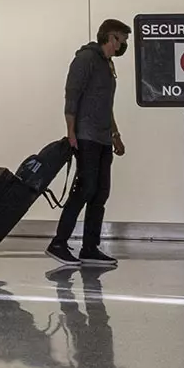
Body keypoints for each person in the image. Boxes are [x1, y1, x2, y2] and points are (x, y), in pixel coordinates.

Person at [47, 19, 129, 269]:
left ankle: (90, 247)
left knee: (100, 192)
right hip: (85, 136)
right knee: (84, 189)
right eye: (122, 38)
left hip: (103, 137)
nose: (124, 44)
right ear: (111, 37)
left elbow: (106, 104)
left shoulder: (108, 65)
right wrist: (71, 132)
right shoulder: (85, 59)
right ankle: (58, 243)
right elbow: (71, 95)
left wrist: (115, 134)